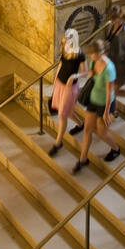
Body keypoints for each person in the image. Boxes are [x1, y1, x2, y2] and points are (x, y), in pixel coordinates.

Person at [73, 38, 121, 173]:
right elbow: (92, 75)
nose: (90, 56)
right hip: (93, 99)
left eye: (92, 53)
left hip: (105, 103)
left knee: (101, 132)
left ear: (100, 52)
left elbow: (109, 92)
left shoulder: (109, 68)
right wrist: (89, 73)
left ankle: (116, 149)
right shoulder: (94, 61)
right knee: (87, 129)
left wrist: (106, 112)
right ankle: (83, 159)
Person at [49, 28, 85, 156]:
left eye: (66, 42)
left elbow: (86, 72)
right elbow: (61, 65)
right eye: (63, 42)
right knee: (66, 112)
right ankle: (81, 124)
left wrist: (75, 76)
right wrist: (55, 82)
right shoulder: (64, 50)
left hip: (70, 88)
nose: (64, 44)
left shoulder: (79, 54)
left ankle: (58, 143)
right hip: (60, 84)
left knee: (62, 115)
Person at [105, 3, 125, 111]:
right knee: (111, 89)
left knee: (113, 90)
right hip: (112, 62)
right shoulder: (110, 27)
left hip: (122, 65)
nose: (114, 22)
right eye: (112, 19)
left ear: (120, 16)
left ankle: (113, 111)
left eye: (116, 19)